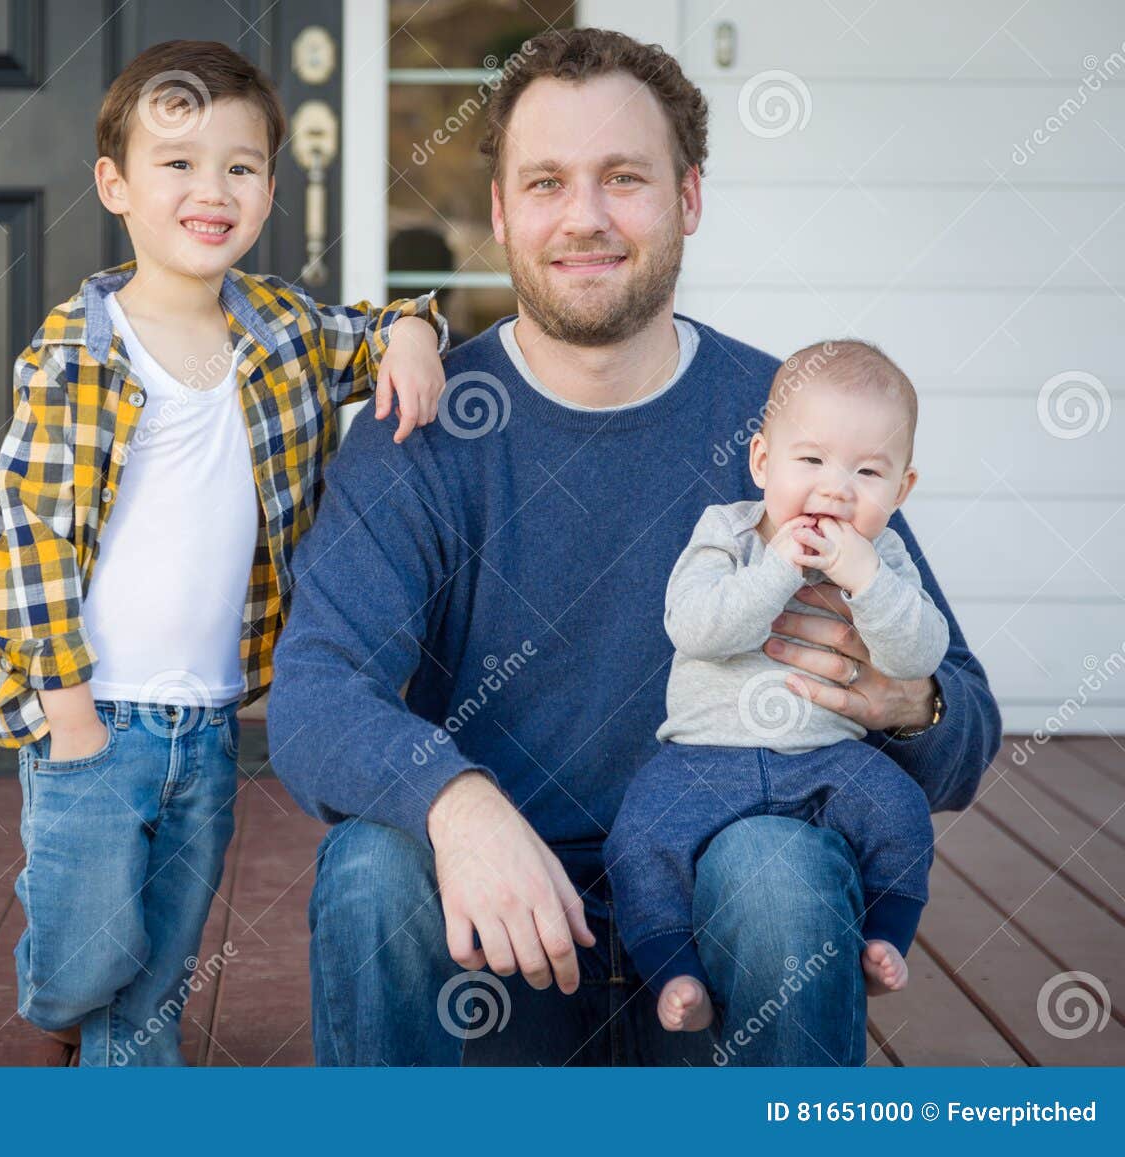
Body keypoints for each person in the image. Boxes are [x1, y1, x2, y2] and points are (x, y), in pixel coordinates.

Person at [267, 27, 1000, 1066]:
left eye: (623, 177)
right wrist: (454, 800)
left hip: (712, 938)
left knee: (782, 871)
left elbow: (967, 727)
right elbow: (313, 692)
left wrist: (909, 702)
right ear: (500, 212)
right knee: (369, 874)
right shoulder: (423, 435)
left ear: (688, 198)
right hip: (502, 931)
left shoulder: (788, 424)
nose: (585, 217)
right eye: (547, 182)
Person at [0, 40, 449, 1066]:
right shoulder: (74, 353)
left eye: (239, 166)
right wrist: (63, 711)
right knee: (82, 958)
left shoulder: (278, 330)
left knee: (159, 959)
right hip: (89, 712)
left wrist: (411, 333)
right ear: (115, 185)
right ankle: (55, 977)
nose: (212, 189)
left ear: (271, 188)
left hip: (207, 717)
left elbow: (371, 328)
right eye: (178, 162)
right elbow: (31, 538)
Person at [605, 340, 946, 1034]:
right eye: (812, 460)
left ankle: (885, 933)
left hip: (825, 762)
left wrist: (868, 581)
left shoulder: (882, 557)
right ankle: (673, 970)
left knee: (902, 810)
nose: (836, 488)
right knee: (639, 835)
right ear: (763, 461)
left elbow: (921, 652)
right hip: (703, 758)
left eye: (868, 471)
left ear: (901, 490)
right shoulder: (726, 534)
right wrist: (778, 571)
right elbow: (695, 627)